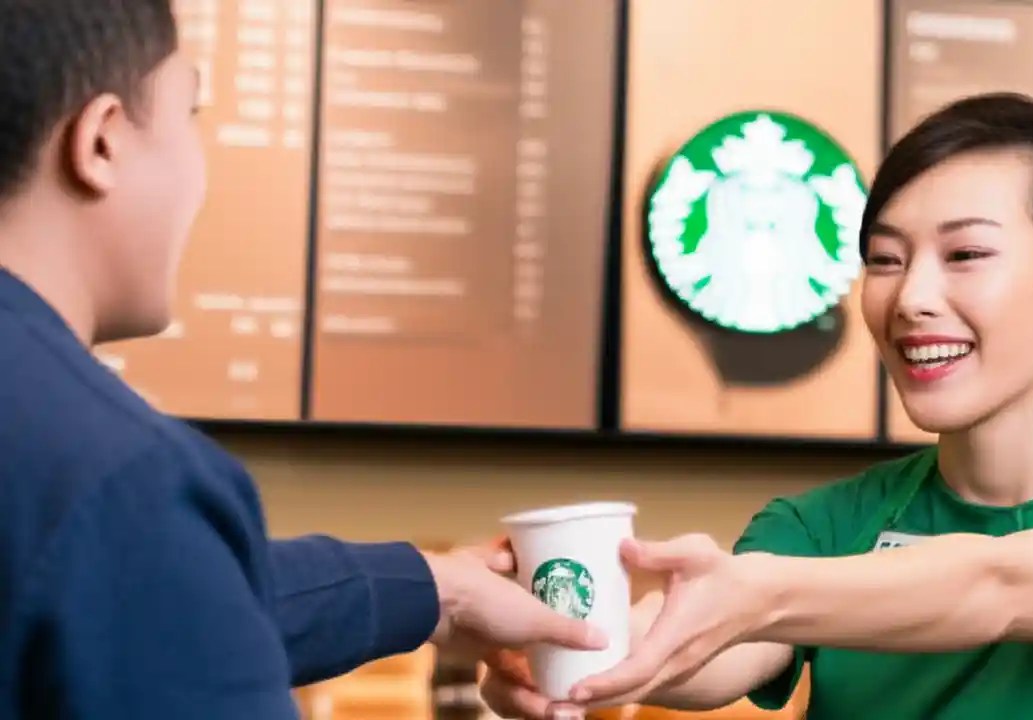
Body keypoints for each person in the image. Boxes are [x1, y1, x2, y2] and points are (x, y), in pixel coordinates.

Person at [480, 93, 1033, 719]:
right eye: (885, 259)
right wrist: (577, 651)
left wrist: (762, 595)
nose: (910, 298)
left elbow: (997, 588)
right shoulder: (824, 525)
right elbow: (720, 651)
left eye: (966, 254)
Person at [0, 2, 606, 717]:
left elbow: (139, 594)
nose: (199, 175)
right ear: (101, 142)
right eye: (190, 116)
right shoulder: (126, 479)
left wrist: (436, 589)